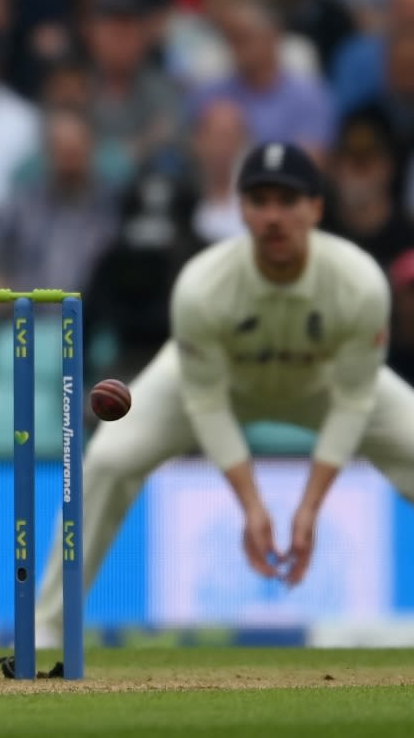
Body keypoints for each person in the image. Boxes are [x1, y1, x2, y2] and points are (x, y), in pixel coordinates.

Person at [36, 142, 414, 641]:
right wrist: (254, 507)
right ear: (241, 210)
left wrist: (308, 508)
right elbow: (206, 403)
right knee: (108, 459)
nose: (273, 217)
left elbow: (353, 402)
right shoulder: (202, 285)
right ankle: (46, 628)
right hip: (215, 385)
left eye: (288, 200)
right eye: (260, 202)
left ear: (316, 208)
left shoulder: (359, 283)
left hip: (324, 386)